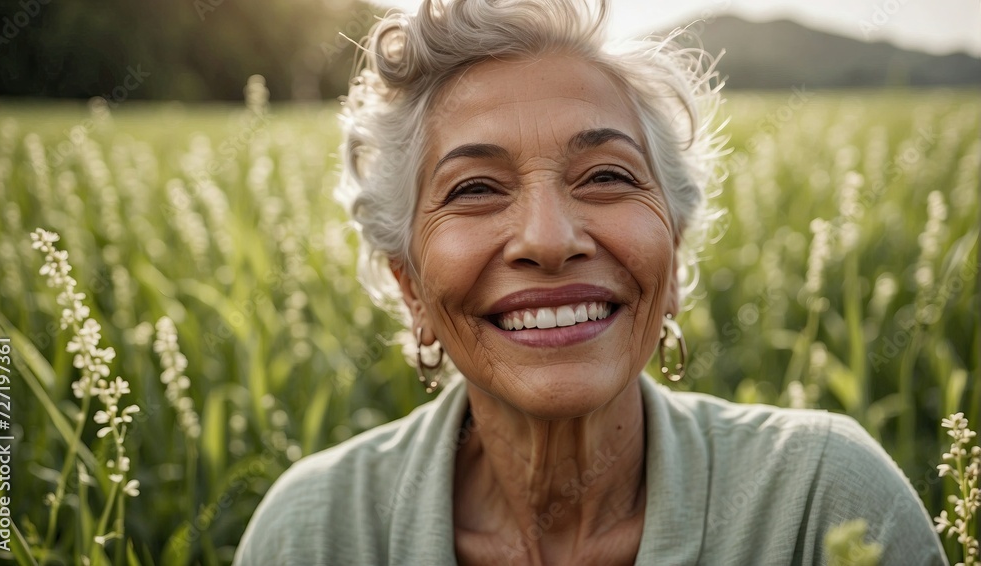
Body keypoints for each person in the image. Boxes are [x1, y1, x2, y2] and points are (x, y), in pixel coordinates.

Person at [233, 0, 947, 564]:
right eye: (476, 188)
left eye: (607, 176)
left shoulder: (821, 505)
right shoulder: (313, 535)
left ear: (674, 254)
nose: (549, 240)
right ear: (410, 285)